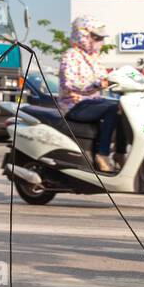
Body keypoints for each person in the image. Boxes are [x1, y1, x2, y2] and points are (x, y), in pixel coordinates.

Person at [57, 15, 124, 172]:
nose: (100, 41)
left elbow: (104, 78)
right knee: (112, 109)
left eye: (101, 37)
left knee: (123, 107)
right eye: (96, 37)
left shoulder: (94, 57)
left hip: (92, 103)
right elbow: (69, 82)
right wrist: (96, 84)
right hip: (74, 104)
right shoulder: (71, 55)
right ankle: (103, 154)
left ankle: (120, 153)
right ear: (84, 35)